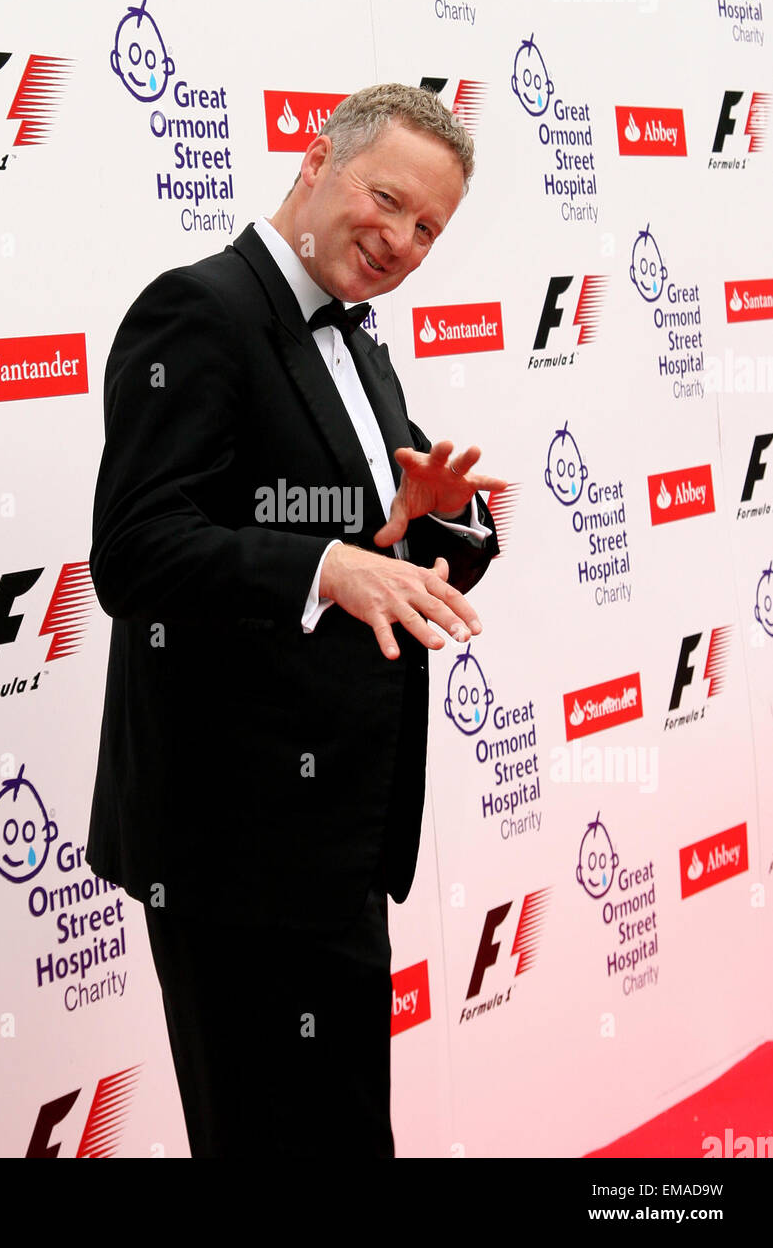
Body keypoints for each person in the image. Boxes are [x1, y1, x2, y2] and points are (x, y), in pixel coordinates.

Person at [87, 83, 505, 1158]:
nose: (401, 240)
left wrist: (438, 522)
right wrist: (323, 565)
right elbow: (136, 552)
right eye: (386, 199)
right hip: (230, 840)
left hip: (337, 834)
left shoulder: (361, 343)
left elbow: (372, 544)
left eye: (428, 228)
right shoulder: (197, 312)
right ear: (314, 161)